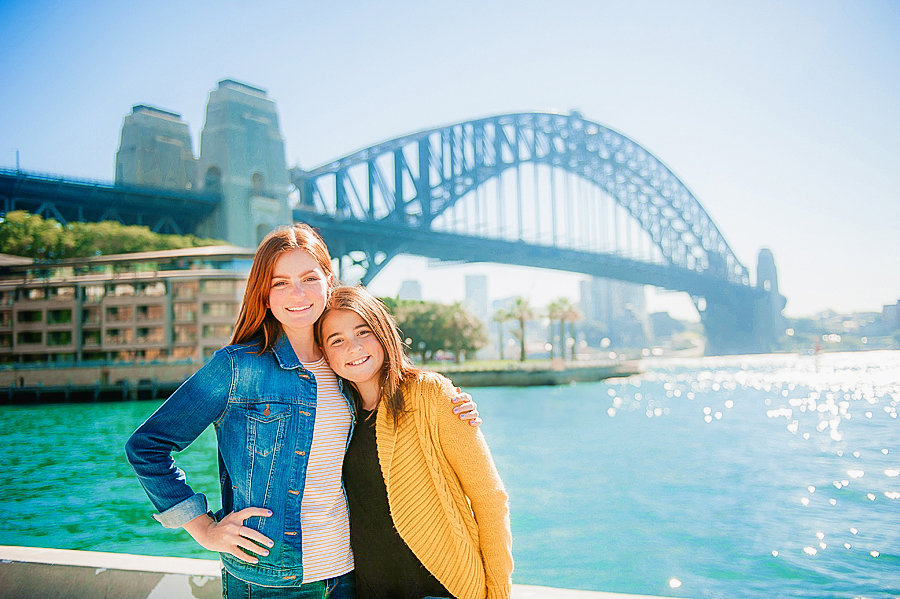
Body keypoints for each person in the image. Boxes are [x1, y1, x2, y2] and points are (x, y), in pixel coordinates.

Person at [125, 223, 479, 597]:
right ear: (264, 294)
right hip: (269, 579)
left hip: (348, 572)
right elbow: (147, 446)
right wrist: (204, 528)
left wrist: (450, 406)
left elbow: (393, 413)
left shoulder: (345, 368)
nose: (297, 292)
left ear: (329, 282)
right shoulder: (237, 367)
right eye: (280, 282)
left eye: (309, 278)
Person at [316, 285, 513, 599]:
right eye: (336, 340)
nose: (353, 347)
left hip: (445, 589)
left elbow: (490, 499)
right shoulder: (335, 414)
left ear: (383, 332)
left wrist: (498, 592)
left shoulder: (432, 393)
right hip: (370, 589)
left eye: (363, 332)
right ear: (324, 354)